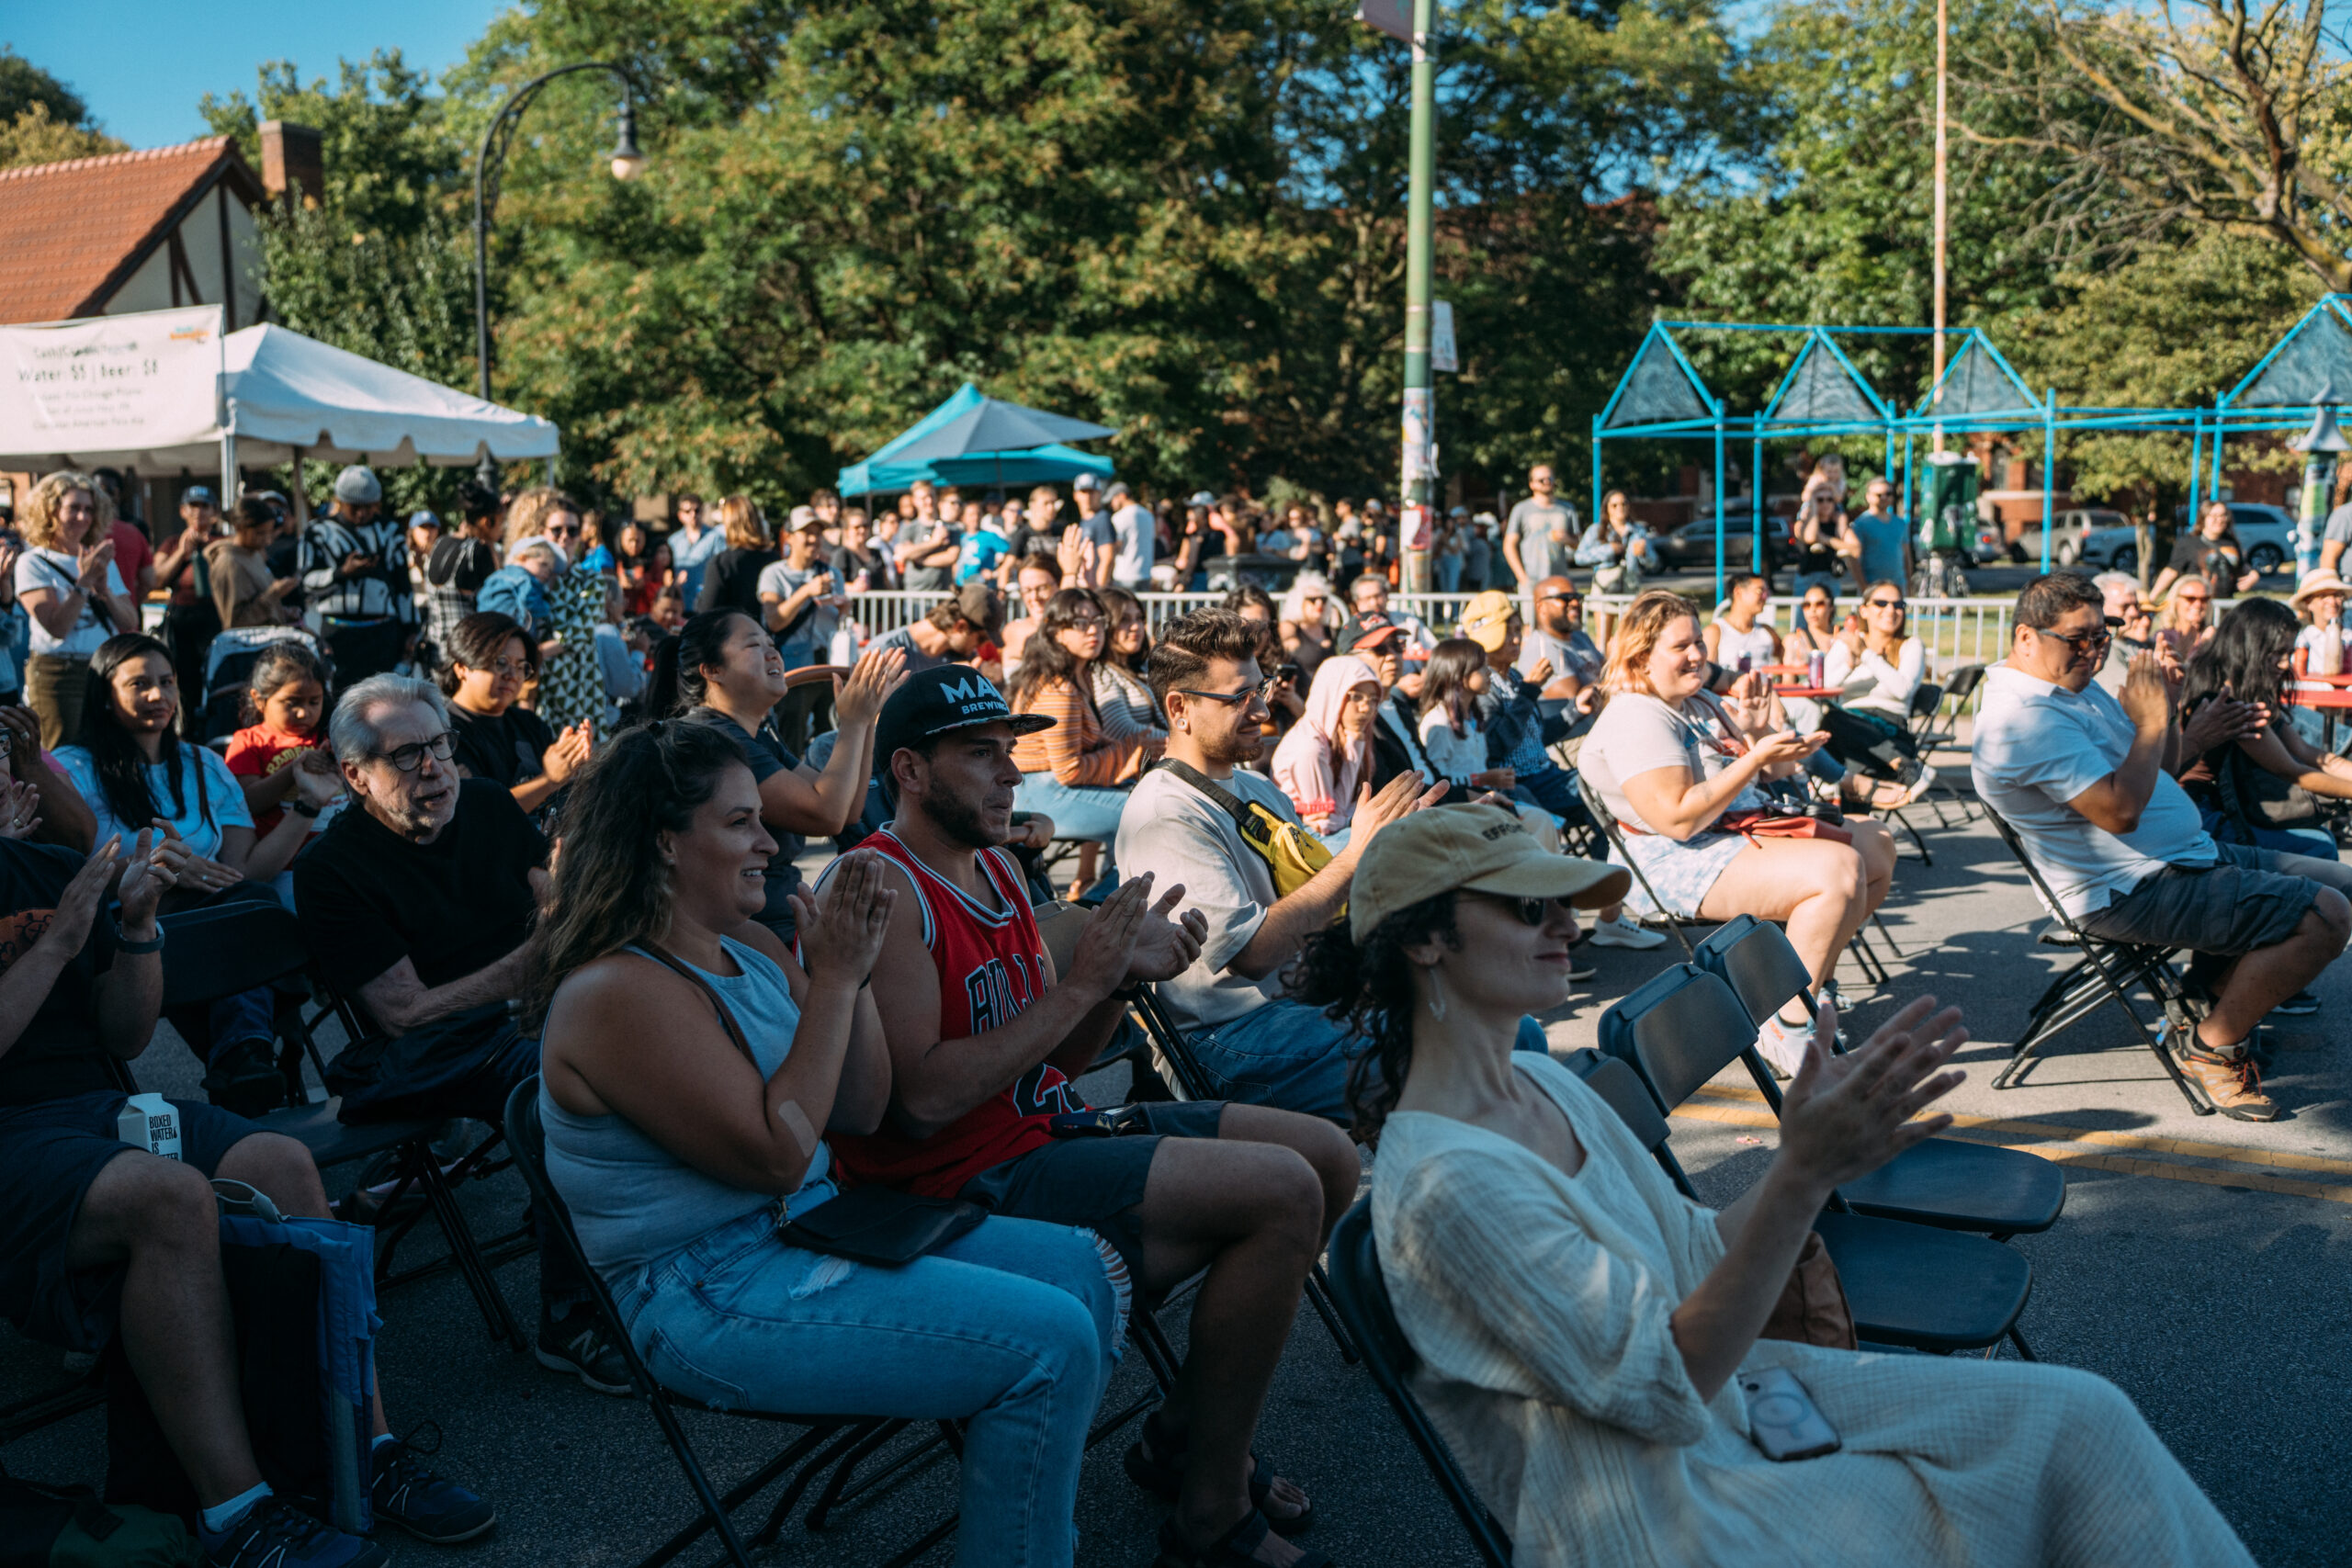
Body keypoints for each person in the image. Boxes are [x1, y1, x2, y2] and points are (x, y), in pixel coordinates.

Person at [1305, 806, 2253, 1568]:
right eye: (1526, 907)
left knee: (2078, 1414)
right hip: (1657, 1517)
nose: (1566, 925)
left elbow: (1694, 1253)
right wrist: (1801, 1178)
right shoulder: (1445, 1187)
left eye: (1565, 902)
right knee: (2011, 1486)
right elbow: (1662, 1388)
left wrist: (1810, 1161)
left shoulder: (1545, 1081)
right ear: (1424, 941)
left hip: (1732, 1414)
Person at [530, 722, 1119, 1568]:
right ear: (664, 843)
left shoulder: (756, 946)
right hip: (704, 1287)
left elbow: (861, 1102)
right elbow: (776, 1153)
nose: (771, 841)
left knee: (1084, 1272)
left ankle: (1028, 1534)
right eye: (741, 823)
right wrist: (837, 980)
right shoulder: (616, 991)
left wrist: (855, 974)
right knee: (1050, 1343)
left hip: (813, 1224)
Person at [831, 665, 1357, 1564]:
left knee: (1329, 1158)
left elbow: (1051, 1064)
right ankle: (1210, 1506)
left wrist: (1115, 984)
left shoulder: (994, 866)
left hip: (1041, 1135)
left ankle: (1184, 1438)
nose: (1010, 773)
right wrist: (1080, 981)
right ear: (911, 772)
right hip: (955, 1188)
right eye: (979, 755)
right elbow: (922, 1103)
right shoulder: (884, 886)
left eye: (1009, 751)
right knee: (1277, 1194)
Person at [0, 828, 497, 1568]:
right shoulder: (60, 904)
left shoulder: (48, 866)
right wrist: (57, 943)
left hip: (96, 1106)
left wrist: (137, 932)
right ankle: (236, 1512)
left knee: (282, 1161)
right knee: (171, 1199)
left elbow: (126, 1036)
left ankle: (363, 1450)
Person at [295, 673, 616, 1382]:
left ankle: (631, 1239)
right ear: (354, 775)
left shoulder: (489, 805)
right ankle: (571, 1315)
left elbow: (553, 907)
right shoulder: (330, 869)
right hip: (435, 1045)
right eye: (406, 756)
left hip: (533, 1010)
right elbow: (403, 1013)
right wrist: (526, 971)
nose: (435, 767)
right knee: (558, 1079)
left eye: (440, 743)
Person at [1118, 608, 1559, 1122]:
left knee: (1513, 1030)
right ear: (1179, 708)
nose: (1263, 710)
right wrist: (1358, 854)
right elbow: (1254, 954)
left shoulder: (1255, 787)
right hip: (1233, 1040)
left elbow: (1324, 888)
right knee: (1482, 1053)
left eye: (1262, 689)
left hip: (1300, 1002)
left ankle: (1451, 1189)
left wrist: (1416, 838)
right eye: (1241, 697)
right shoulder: (1164, 816)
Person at [1971, 572, 2352, 1120]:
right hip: (2125, 888)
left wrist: (2167, 713)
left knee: (2339, 881)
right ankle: (2212, 1043)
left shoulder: (2070, 685)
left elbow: (2164, 770)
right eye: (2078, 639)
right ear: (2026, 638)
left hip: (2180, 858)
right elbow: (2121, 812)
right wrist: (2150, 722)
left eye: (2103, 635)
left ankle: (2202, 1001)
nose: (2095, 651)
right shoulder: (2023, 718)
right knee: (2327, 915)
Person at [1580, 592, 1896, 1070]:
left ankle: (1812, 985)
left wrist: (1764, 740)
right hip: (1673, 858)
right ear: (1642, 656)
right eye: (1681, 646)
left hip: (1731, 830)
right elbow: (1679, 818)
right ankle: (1784, 1021)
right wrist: (1753, 757)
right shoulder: (1636, 716)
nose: (1698, 655)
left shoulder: (1697, 698)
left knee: (1877, 844)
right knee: (1838, 872)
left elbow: (1755, 776)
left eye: (1699, 642)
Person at [649, 611, 903, 942]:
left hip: (776, 916)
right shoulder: (715, 739)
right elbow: (826, 814)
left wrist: (867, 717)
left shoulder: (756, 732)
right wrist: (853, 723)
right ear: (713, 671)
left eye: (772, 643)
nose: (773, 653)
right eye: (754, 645)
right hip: (749, 928)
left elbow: (847, 811)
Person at [2177, 596, 2352, 864]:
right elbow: (2292, 771)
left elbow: (2309, 754)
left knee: (2321, 842)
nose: (2285, 664)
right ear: (2250, 648)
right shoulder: (2228, 700)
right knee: (2321, 847)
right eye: (2277, 654)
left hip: (2214, 805)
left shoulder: (2242, 685)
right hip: (2195, 813)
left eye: (2289, 654)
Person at [1010, 589, 1159, 894]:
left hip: (1050, 787)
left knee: (1157, 804)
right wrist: (1131, 750)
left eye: (1098, 621)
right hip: (1040, 793)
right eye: (1080, 622)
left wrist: (1135, 747)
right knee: (1154, 818)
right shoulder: (1058, 690)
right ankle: (1097, 905)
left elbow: (1092, 746)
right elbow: (1070, 770)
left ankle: (1104, 898)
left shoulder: (1079, 678)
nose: (1093, 630)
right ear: (1056, 631)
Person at [15, 471, 141, 750]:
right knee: (65, 756)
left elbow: (129, 621)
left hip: (104, 668)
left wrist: (104, 590)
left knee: (106, 751)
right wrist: (84, 582)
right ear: (50, 511)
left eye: (89, 510)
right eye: (74, 508)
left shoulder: (99, 559)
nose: (83, 517)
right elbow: (57, 627)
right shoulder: (32, 562)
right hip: (59, 672)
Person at [436, 613, 586, 818]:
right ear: (462, 668)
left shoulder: (528, 723)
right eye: (501, 662)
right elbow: (478, 812)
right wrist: (548, 780)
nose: (512, 675)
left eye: (521, 667)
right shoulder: (443, 734)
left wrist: (575, 762)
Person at [223, 642, 344, 893]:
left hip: (338, 859)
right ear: (259, 699)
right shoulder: (248, 742)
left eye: (314, 701)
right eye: (292, 702)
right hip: (284, 868)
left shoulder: (329, 736)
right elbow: (247, 802)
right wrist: (292, 771)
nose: (304, 713)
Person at [502, 491, 608, 736]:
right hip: (535, 683)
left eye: (572, 530)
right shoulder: (529, 576)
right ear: (542, 533)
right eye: (556, 529)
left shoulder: (590, 579)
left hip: (577, 683)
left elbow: (579, 632)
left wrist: (529, 655)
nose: (564, 537)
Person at [298, 467, 413, 685]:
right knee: (341, 697)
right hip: (338, 633)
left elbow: (403, 584)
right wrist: (341, 573)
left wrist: (411, 629)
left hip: (383, 633)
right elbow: (306, 582)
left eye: (369, 507)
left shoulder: (390, 531)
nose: (362, 514)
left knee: (385, 698)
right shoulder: (318, 531)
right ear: (340, 501)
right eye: (355, 507)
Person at [1820, 581, 1937, 795]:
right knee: (1837, 728)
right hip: (1851, 726)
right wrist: (1849, 664)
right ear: (1864, 610)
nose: (1890, 610)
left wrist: (1865, 654)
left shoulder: (1911, 645)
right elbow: (1824, 684)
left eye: (1898, 605)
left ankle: (1852, 816)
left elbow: (1902, 690)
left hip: (1889, 726)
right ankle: (1904, 767)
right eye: (1881, 603)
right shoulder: (1849, 642)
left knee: (1834, 723)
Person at [756, 508, 848, 750]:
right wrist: (806, 591)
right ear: (789, 536)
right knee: (790, 739)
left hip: (829, 664)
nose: (813, 538)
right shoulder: (774, 574)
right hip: (793, 665)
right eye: (806, 532)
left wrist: (845, 611)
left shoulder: (832, 573)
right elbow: (774, 622)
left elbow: (838, 622)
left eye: (817, 532)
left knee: (830, 738)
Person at [1271, 654, 1384, 842]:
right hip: (1305, 840)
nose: (1366, 708)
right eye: (1356, 697)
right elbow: (1328, 823)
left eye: (1373, 700)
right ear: (1332, 695)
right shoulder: (1308, 747)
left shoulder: (1345, 734)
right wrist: (1355, 745)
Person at [421, 484, 503, 663]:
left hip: (434, 649)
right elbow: (496, 601)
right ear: (486, 522)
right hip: (465, 652)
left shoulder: (440, 543)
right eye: (500, 521)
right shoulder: (478, 551)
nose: (502, 528)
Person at [205, 496, 300, 631]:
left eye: (269, 533)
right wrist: (274, 594)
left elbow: (260, 605)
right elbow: (235, 622)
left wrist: (283, 612)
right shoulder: (229, 562)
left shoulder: (254, 554)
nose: (267, 541)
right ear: (239, 528)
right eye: (260, 533)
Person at [1092, 585, 1165, 743]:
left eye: (1139, 618)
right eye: (1124, 620)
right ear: (1104, 625)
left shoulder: (1144, 666)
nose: (1136, 627)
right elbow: (1121, 729)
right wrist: (1186, 744)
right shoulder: (1100, 673)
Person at [2154, 502, 2262, 603]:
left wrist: (2254, 575)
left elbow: (2241, 566)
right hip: (2199, 602)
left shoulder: (2231, 542)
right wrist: (2152, 597)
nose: (2219, 520)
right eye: (2214, 516)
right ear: (2203, 518)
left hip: (2225, 603)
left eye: (2223, 515)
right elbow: (2171, 571)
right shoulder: (2189, 542)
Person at [868, 586, 992, 673]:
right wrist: (943, 679)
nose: (980, 646)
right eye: (981, 639)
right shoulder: (887, 650)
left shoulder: (964, 657)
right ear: (960, 626)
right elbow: (875, 709)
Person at [691, 495, 777, 621]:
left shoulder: (722, 563)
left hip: (735, 635)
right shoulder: (775, 559)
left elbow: (707, 614)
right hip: (769, 637)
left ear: (728, 524)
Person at [1519, 577, 1603, 703]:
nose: (1575, 603)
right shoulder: (1542, 651)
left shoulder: (1580, 637)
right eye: (1565, 598)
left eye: (1577, 598)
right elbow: (1577, 703)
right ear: (1541, 607)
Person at [1504, 464, 1576, 605]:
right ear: (1532, 484)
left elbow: (1578, 544)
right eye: (1541, 480)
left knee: (1558, 624)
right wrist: (1522, 578)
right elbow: (1509, 545)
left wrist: (1567, 539)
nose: (1547, 482)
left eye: (1550, 478)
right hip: (1532, 578)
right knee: (1530, 624)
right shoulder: (1521, 509)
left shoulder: (1567, 509)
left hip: (1559, 578)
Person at [2093, 570, 2159, 696]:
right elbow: (2126, 697)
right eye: (2125, 606)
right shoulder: (2106, 649)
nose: (2135, 613)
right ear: (2100, 607)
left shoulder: (2133, 643)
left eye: (2136, 606)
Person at [1842, 476, 1911, 593]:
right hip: (1872, 587)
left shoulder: (1900, 523)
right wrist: (1863, 586)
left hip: (1898, 586)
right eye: (1879, 495)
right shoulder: (1860, 524)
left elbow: (1906, 556)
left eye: (1888, 494)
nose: (1884, 497)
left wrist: (1909, 583)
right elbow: (1853, 558)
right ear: (1868, 497)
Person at [1703, 572, 1781, 674]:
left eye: (1767, 592)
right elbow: (1707, 675)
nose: (1765, 596)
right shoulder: (1715, 632)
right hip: (1730, 688)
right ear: (1738, 592)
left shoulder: (1767, 632)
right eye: (1760, 591)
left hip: (1765, 689)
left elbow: (1787, 664)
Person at [1001, 557, 1064, 675]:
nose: (1034, 597)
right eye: (1027, 590)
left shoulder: (1068, 631)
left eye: (1042, 588)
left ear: (1059, 585)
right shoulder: (1013, 630)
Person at [665, 491, 727, 609]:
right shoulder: (673, 541)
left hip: (706, 604)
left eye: (697, 510)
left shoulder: (715, 538)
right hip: (679, 606)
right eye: (688, 511)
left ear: (702, 512)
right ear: (680, 515)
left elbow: (722, 570)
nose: (693, 514)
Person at [1786, 491, 1847, 601]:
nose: (1825, 503)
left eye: (1830, 499)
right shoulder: (1801, 524)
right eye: (1819, 500)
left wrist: (1824, 538)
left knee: (1830, 615)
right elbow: (1810, 537)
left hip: (1831, 576)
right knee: (1803, 615)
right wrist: (1813, 512)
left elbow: (1853, 547)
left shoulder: (1838, 524)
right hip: (1806, 576)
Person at [1277, 573, 1337, 681]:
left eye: (1323, 599)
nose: (1319, 603)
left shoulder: (1330, 631)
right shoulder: (1289, 628)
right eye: (1312, 600)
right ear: (1298, 602)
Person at [831, 506, 899, 594]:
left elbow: (886, 582)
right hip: (855, 606)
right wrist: (852, 587)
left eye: (865, 526)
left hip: (880, 606)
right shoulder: (842, 554)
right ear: (847, 530)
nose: (862, 530)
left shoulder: (875, 552)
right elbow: (835, 583)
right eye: (857, 527)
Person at [612, 519, 670, 618]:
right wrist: (618, 583)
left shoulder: (653, 562)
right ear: (622, 539)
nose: (634, 545)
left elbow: (662, 590)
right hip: (618, 614)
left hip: (646, 614)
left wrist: (645, 585)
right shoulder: (614, 561)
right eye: (630, 540)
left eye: (638, 541)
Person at [2154, 575, 2215, 665]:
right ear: (2175, 601)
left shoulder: (2214, 635)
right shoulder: (2164, 637)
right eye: (2191, 599)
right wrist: (2204, 645)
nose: (2198, 604)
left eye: (2204, 599)